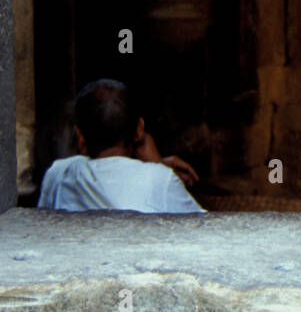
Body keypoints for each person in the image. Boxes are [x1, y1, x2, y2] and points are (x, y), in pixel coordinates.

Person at [37, 79, 205, 214]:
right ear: (140, 128)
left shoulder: (59, 172)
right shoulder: (160, 180)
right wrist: (157, 165)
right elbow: (205, 229)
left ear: (80, 137)